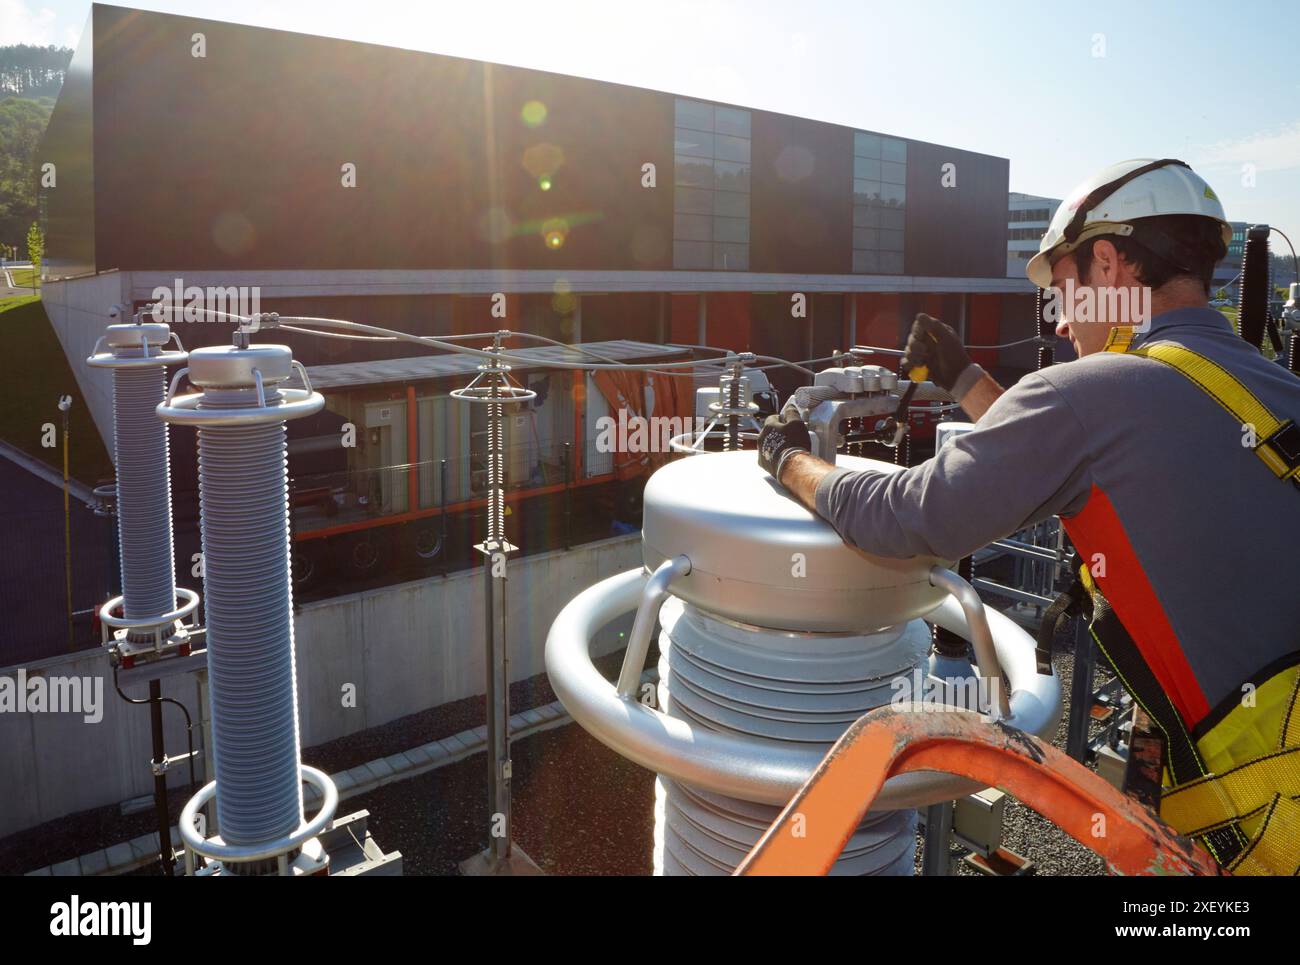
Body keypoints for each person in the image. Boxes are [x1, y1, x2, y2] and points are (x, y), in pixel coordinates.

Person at [757, 159, 1300, 875]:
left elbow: (908, 516)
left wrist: (786, 457)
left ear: (1108, 263)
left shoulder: (1093, 394)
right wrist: (965, 379)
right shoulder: (1260, 385)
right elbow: (1084, 456)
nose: (1064, 319)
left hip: (1256, 836)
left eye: (1067, 292)